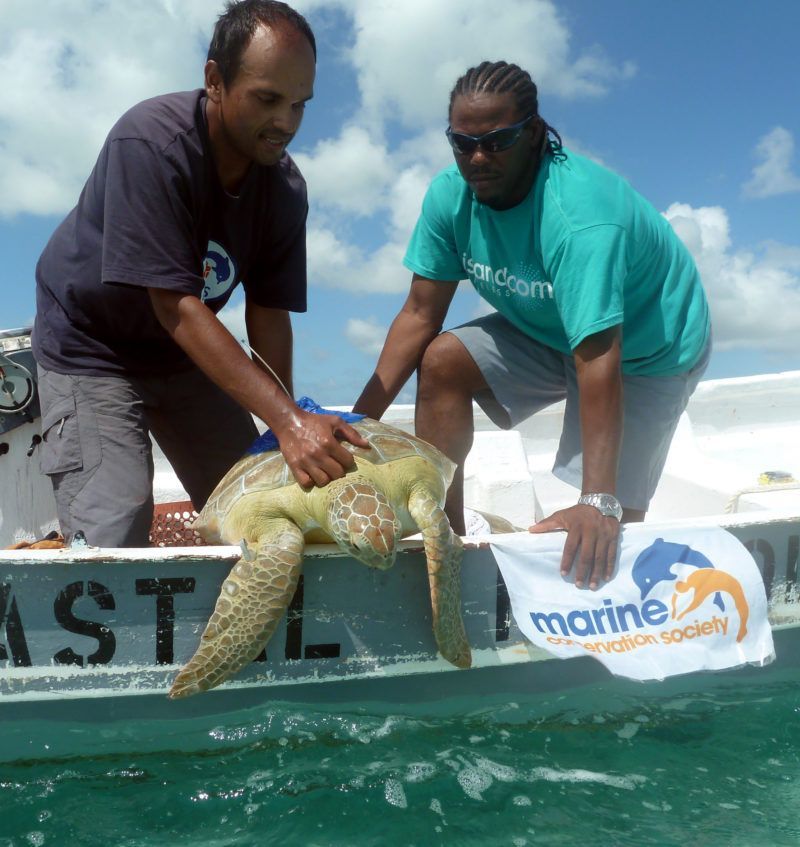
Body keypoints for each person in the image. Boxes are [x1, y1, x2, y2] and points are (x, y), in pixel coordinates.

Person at [354, 61, 711, 591]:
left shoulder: (580, 216)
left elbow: (597, 356)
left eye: (497, 141)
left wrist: (597, 500)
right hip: (551, 330)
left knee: (610, 531)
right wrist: (358, 428)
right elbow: (420, 314)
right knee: (443, 360)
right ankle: (445, 544)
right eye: (462, 143)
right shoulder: (449, 196)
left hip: (646, 348)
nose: (477, 158)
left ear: (536, 134)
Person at [32, 0, 367, 547]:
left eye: (299, 105)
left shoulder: (284, 190)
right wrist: (287, 421)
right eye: (267, 99)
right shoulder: (150, 144)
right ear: (215, 79)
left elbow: (268, 313)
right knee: (116, 529)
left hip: (183, 355)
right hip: (93, 347)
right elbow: (177, 307)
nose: (285, 123)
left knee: (261, 506)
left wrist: (281, 425)